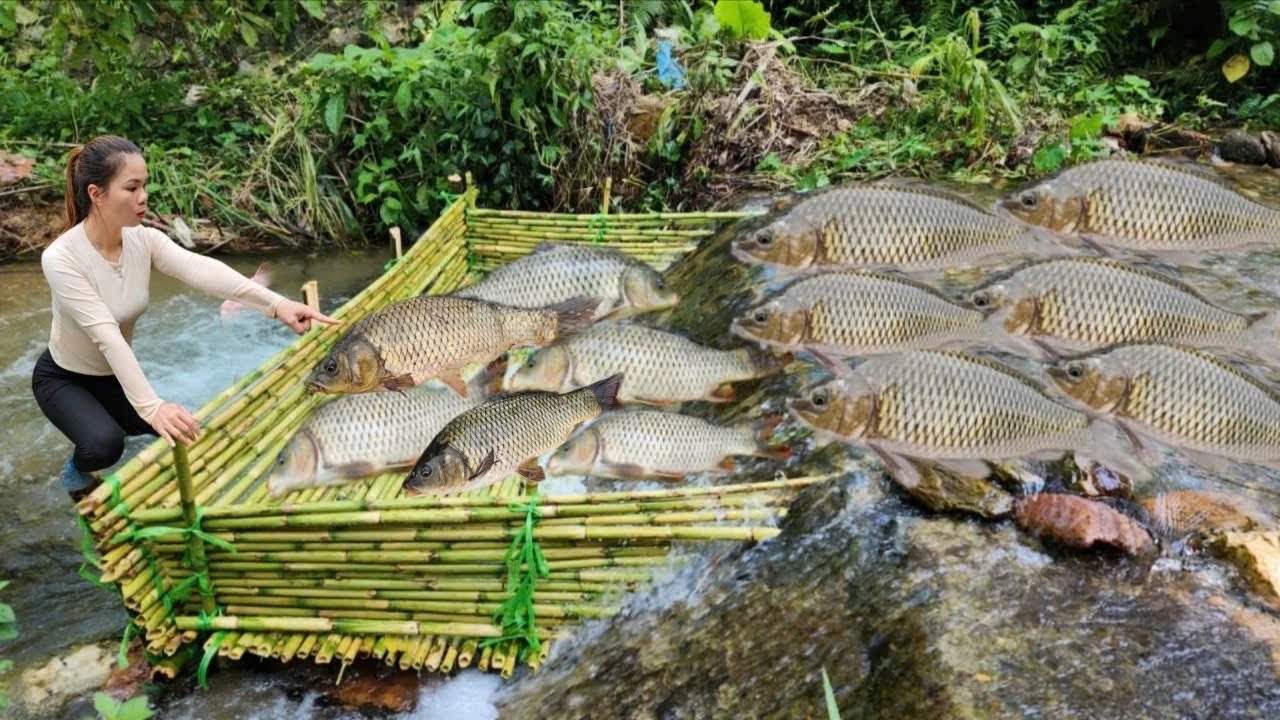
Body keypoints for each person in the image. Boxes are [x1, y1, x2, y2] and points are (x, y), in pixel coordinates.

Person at [32, 135, 338, 501]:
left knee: (176, 429)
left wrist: (277, 305)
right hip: (65, 378)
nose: (143, 196)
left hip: (112, 376)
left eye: (144, 185)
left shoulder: (142, 240)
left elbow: (202, 270)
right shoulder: (61, 258)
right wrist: (152, 407)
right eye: (131, 188)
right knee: (106, 444)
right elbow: (107, 336)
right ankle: (77, 476)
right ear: (97, 194)